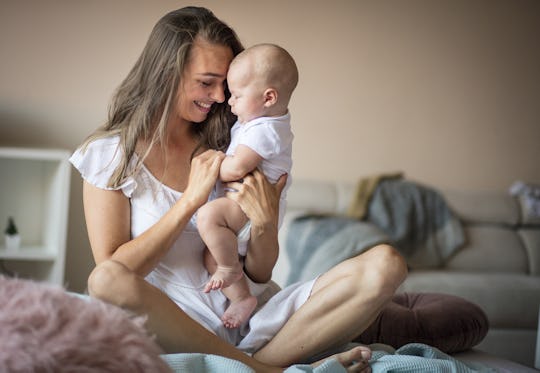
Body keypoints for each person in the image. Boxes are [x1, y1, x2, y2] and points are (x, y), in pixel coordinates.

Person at [71, 6, 407, 373]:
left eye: (226, 85)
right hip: (173, 325)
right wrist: (190, 201)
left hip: (253, 317)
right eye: (206, 82)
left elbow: (259, 273)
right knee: (103, 279)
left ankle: (254, 365)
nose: (219, 96)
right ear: (167, 74)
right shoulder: (109, 154)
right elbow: (114, 273)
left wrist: (264, 224)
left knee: (386, 264)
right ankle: (265, 369)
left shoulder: (234, 142)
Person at [197, 43, 297, 329]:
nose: (229, 102)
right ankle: (242, 298)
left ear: (268, 97)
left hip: (249, 208)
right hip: (244, 210)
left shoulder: (267, 129)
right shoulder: (256, 121)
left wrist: (209, 163)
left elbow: (237, 167)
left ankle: (230, 270)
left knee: (208, 217)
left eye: (237, 95)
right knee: (210, 254)